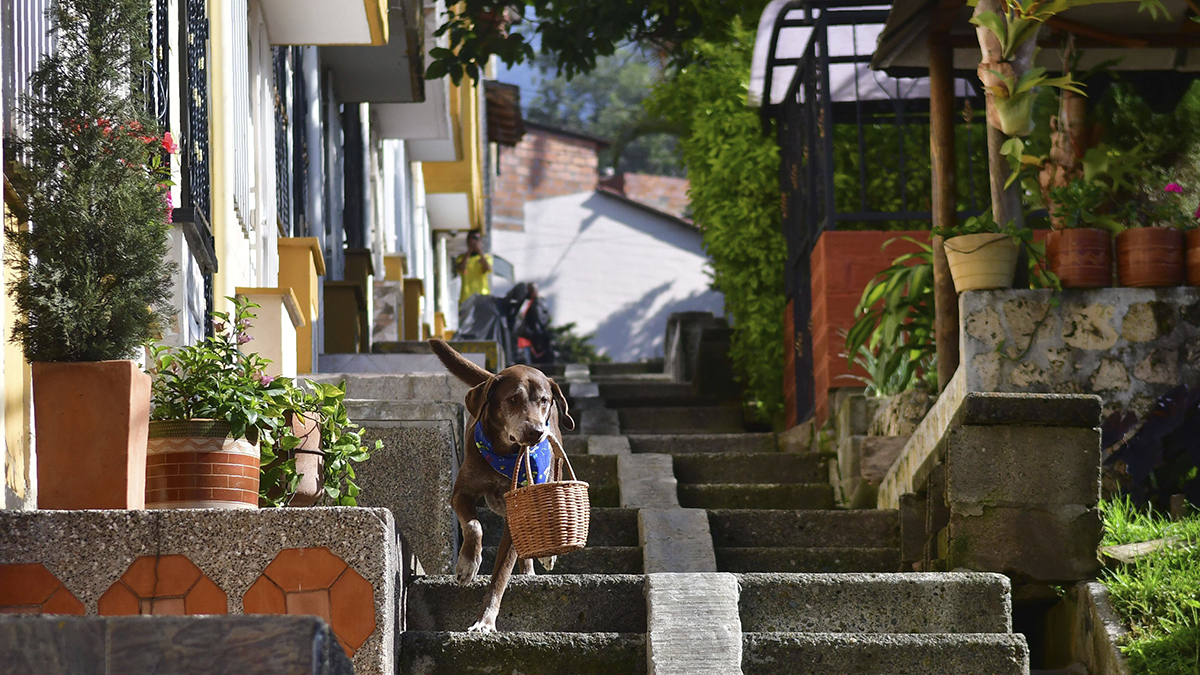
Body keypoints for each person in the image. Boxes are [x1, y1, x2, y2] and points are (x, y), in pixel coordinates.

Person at [456, 230, 492, 303]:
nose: (474, 241)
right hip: (466, 298)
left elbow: (487, 268)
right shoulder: (461, 258)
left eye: (476, 239)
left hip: (482, 296)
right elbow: (461, 268)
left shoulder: (486, 257)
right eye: (472, 238)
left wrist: (479, 251)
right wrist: (469, 251)